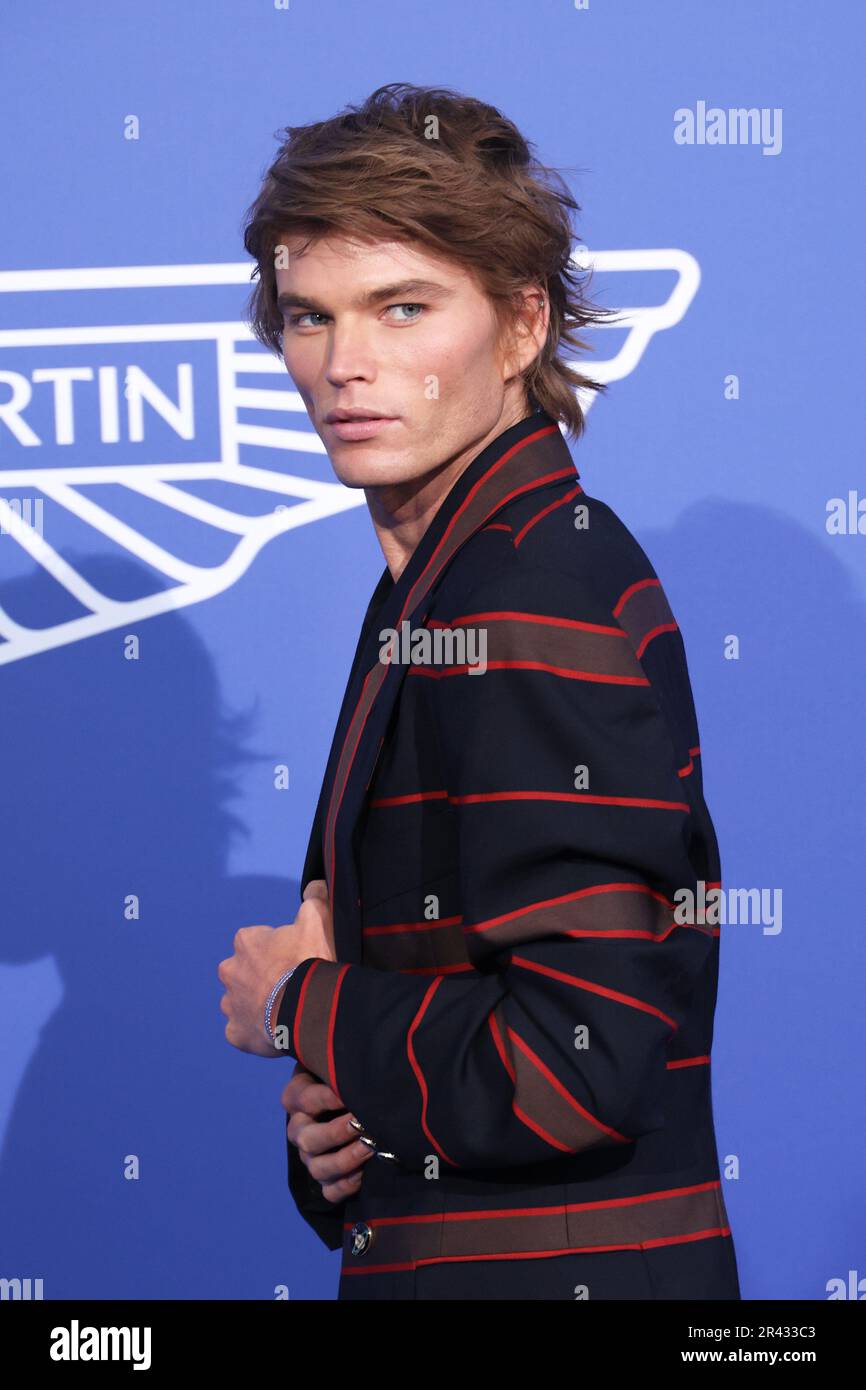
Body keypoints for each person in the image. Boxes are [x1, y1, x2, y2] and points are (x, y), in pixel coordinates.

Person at [218, 81, 740, 1301]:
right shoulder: (446, 574)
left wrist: (300, 1005)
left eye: (402, 310)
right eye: (309, 318)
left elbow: (573, 1063)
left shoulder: (523, 594)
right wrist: (346, 1132)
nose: (346, 366)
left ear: (517, 327)